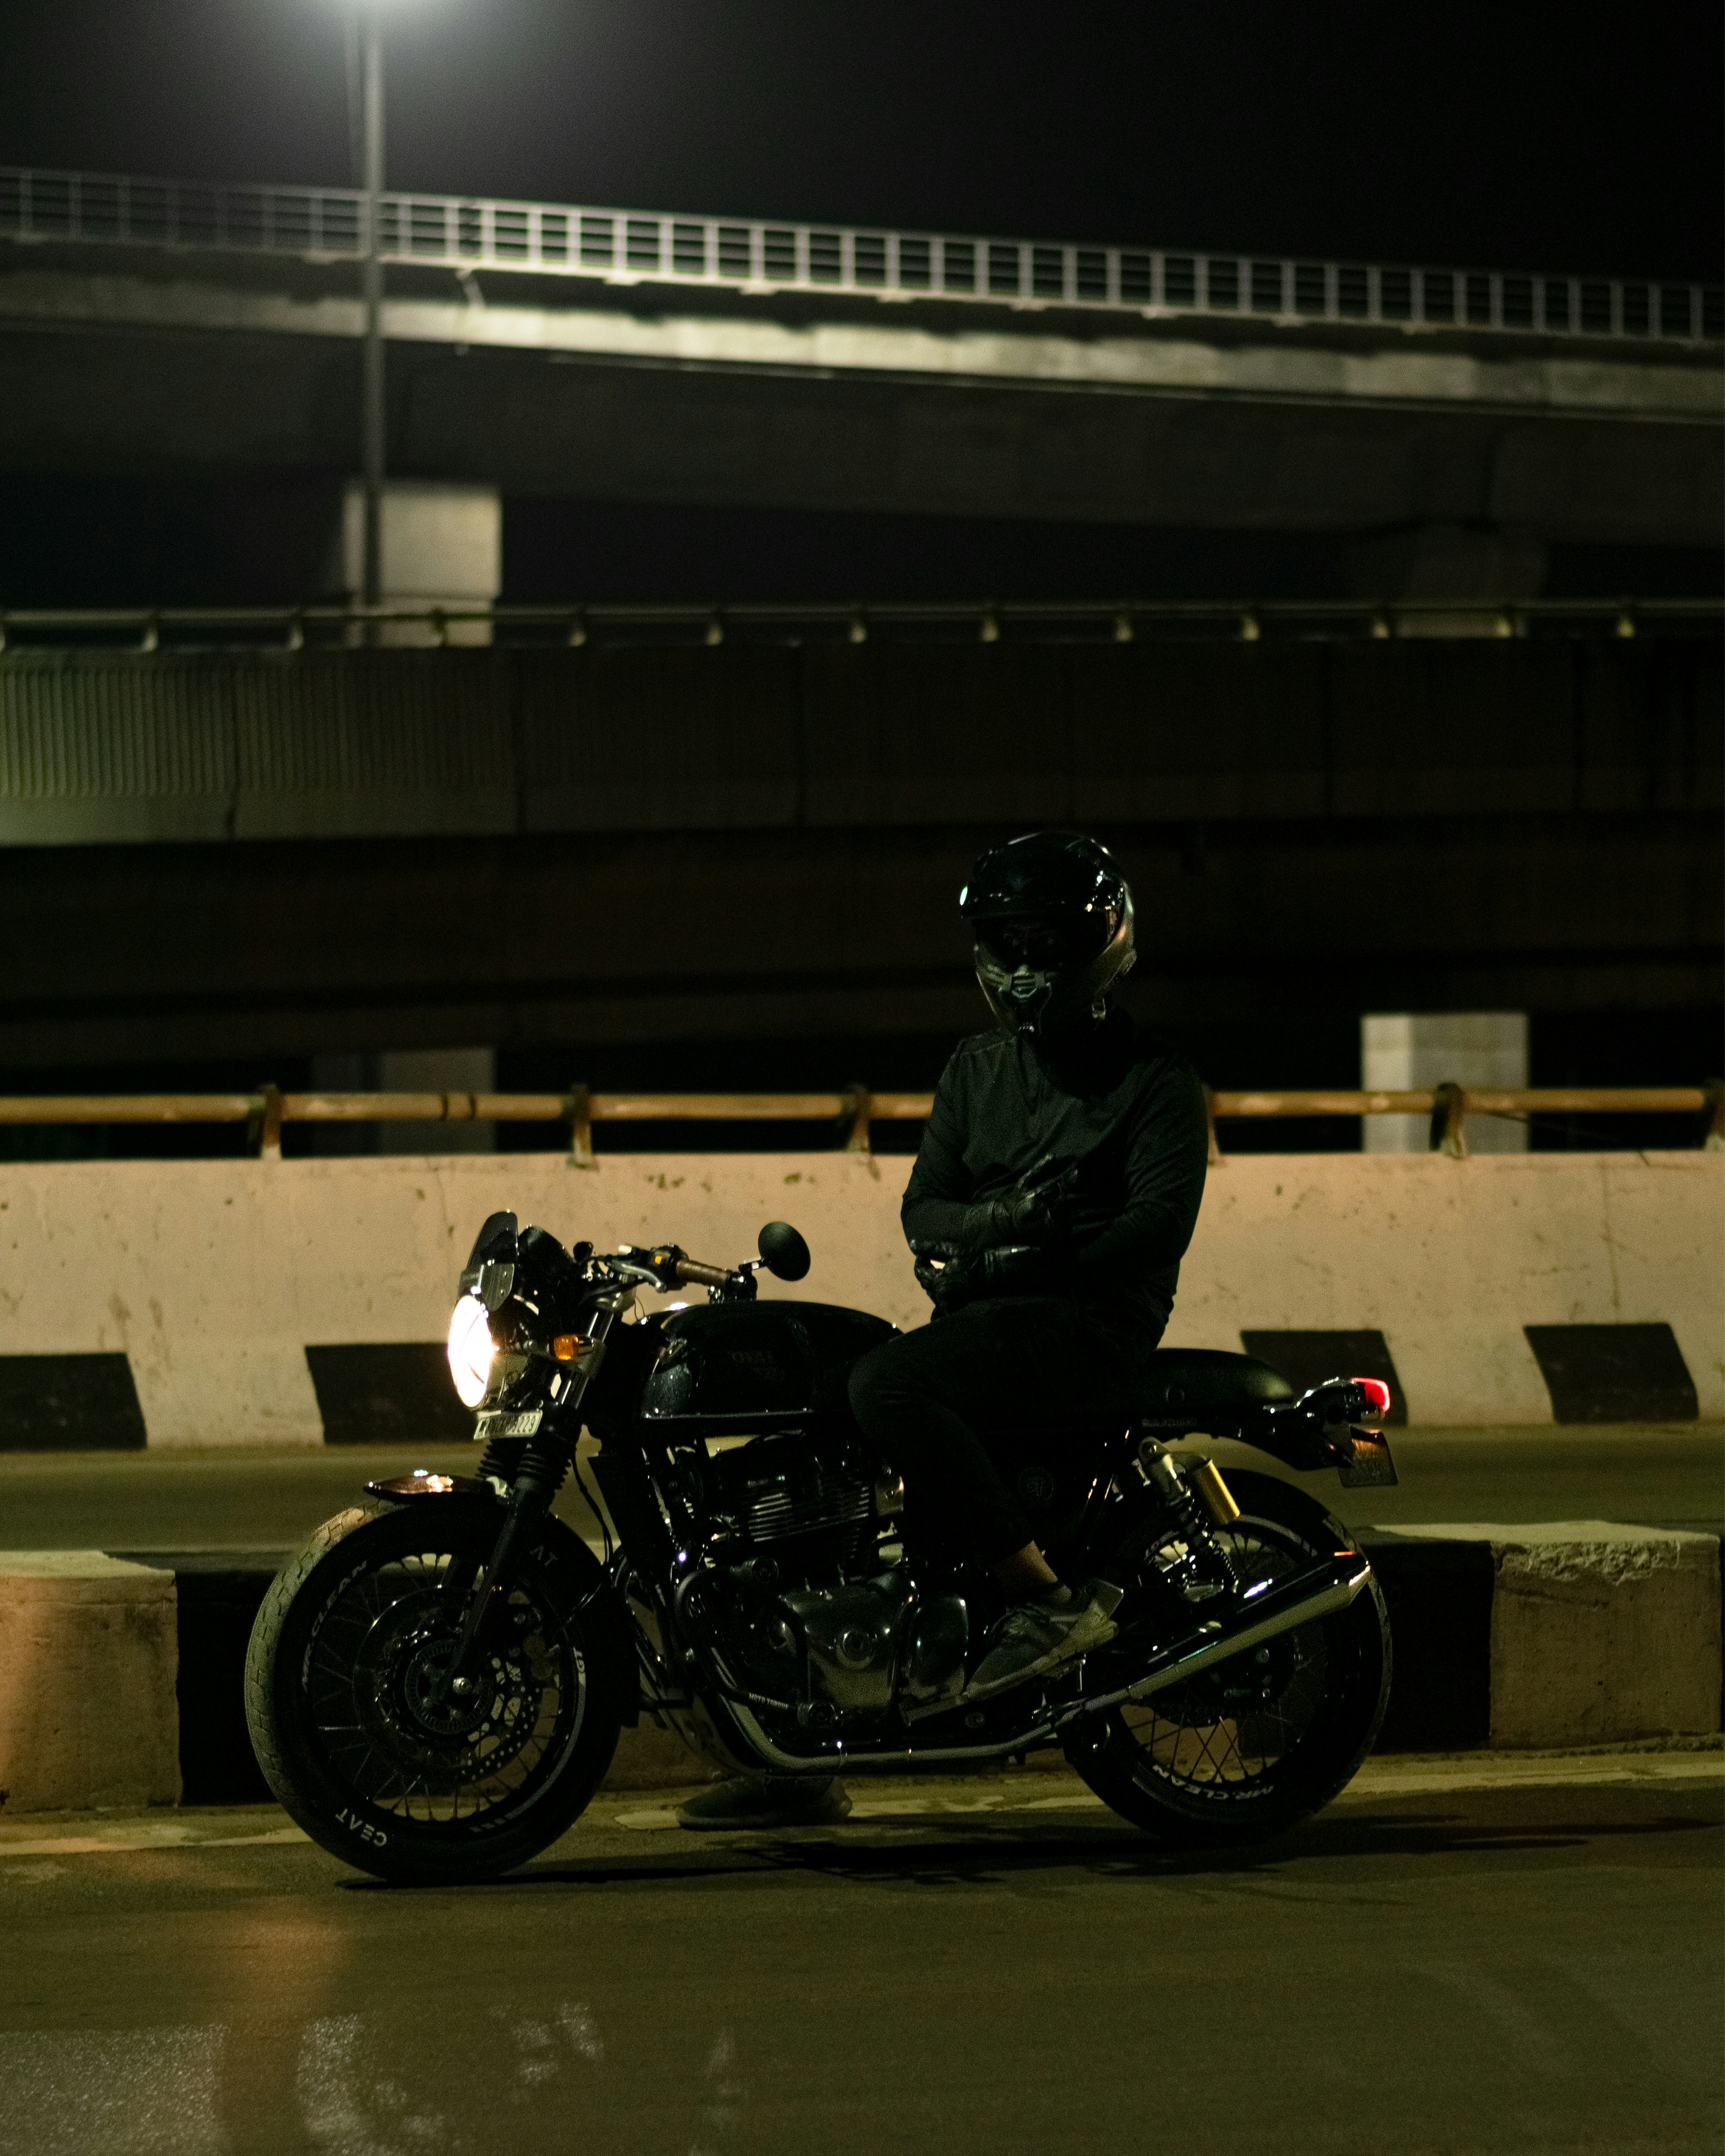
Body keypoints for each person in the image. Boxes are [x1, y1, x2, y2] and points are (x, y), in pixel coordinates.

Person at [677, 830, 1210, 1830]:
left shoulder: (1155, 1081)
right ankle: (794, 1743)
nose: (1018, 968)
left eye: (1041, 941)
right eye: (1001, 943)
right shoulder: (975, 1070)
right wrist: (1008, 1230)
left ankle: (1044, 1598)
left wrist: (1029, 1259)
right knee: (821, 1394)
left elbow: (1152, 1229)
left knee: (889, 1388)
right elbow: (927, 1211)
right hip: (987, 1313)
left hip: (1090, 1327)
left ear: (1096, 943)